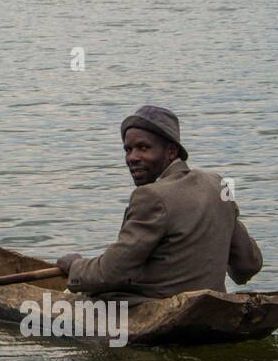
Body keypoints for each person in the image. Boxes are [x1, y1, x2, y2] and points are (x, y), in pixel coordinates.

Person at [56, 106, 263, 303]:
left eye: (143, 148)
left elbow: (111, 273)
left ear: (171, 151)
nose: (132, 158)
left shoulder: (150, 196)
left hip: (157, 306)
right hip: (211, 305)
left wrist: (75, 266)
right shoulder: (219, 184)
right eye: (128, 150)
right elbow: (248, 264)